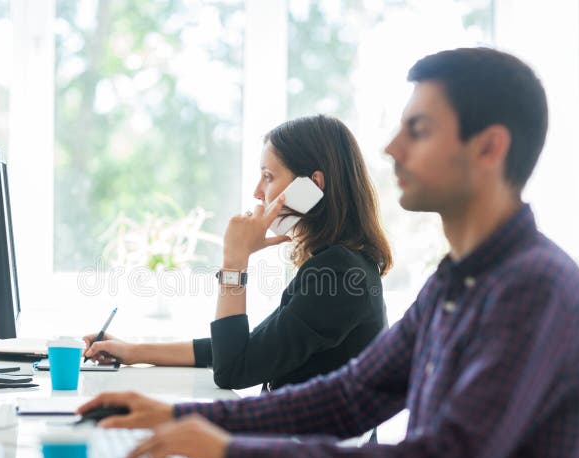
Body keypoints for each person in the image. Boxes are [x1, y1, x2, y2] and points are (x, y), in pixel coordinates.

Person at [78, 47, 579, 458]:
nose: (391, 148)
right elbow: (350, 395)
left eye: (417, 130)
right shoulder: (456, 281)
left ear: (489, 147)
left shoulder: (533, 289)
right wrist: (183, 417)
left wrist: (234, 453)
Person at [83, 115, 392, 391]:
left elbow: (234, 369)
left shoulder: (338, 273)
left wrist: (235, 261)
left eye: (268, 177)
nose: (258, 192)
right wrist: (132, 351)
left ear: (313, 185)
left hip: (308, 450)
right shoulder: (338, 263)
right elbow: (244, 348)